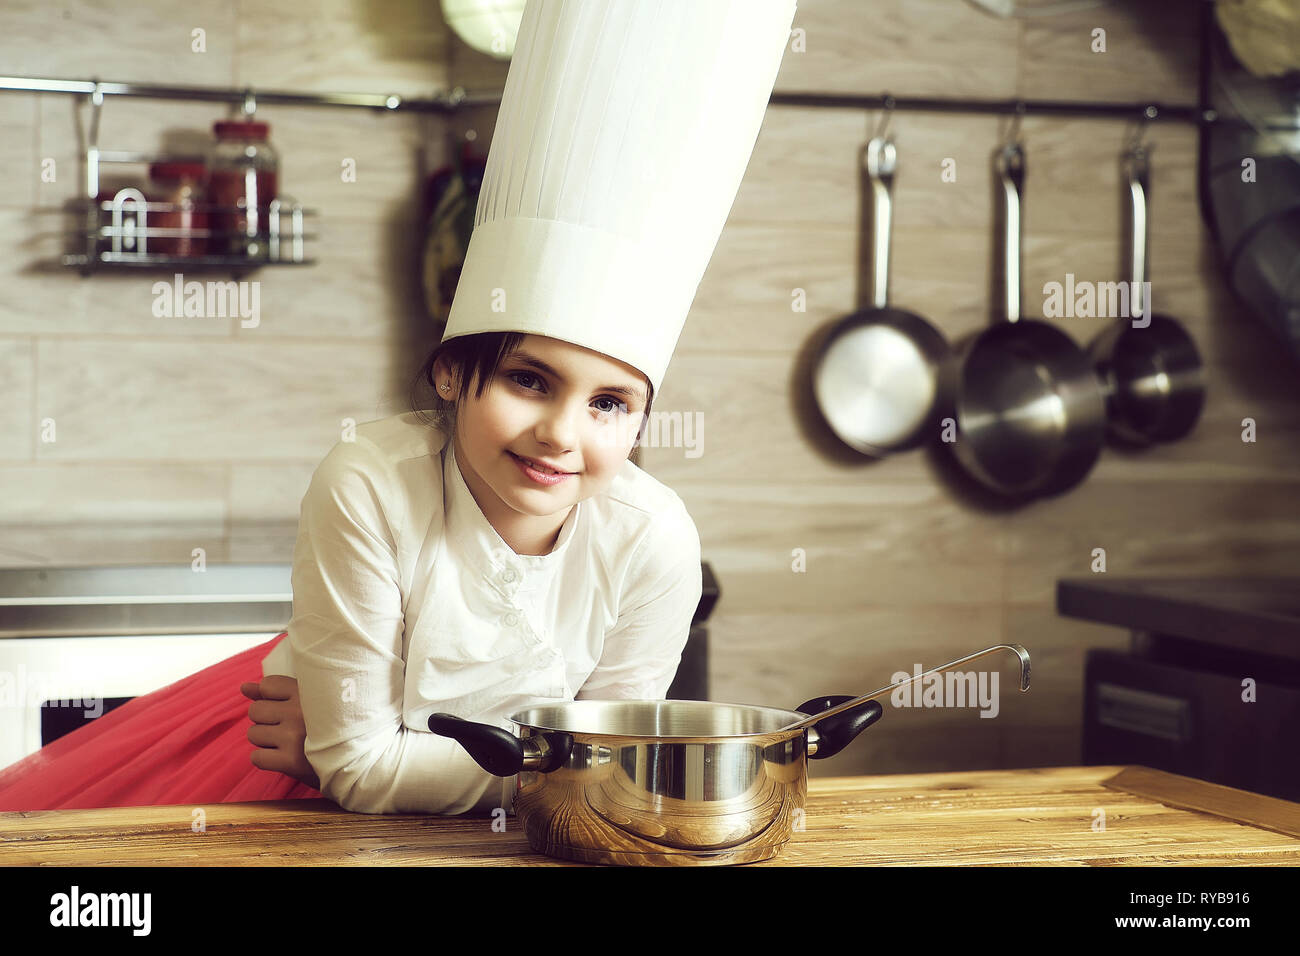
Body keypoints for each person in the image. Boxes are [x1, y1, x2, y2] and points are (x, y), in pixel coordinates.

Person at [0, 0, 798, 816]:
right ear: (452, 373)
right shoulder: (369, 486)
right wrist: (545, 770)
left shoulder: (655, 538)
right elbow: (368, 773)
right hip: (280, 793)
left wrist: (396, 754)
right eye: (529, 380)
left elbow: (612, 777)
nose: (562, 433)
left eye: (609, 403)